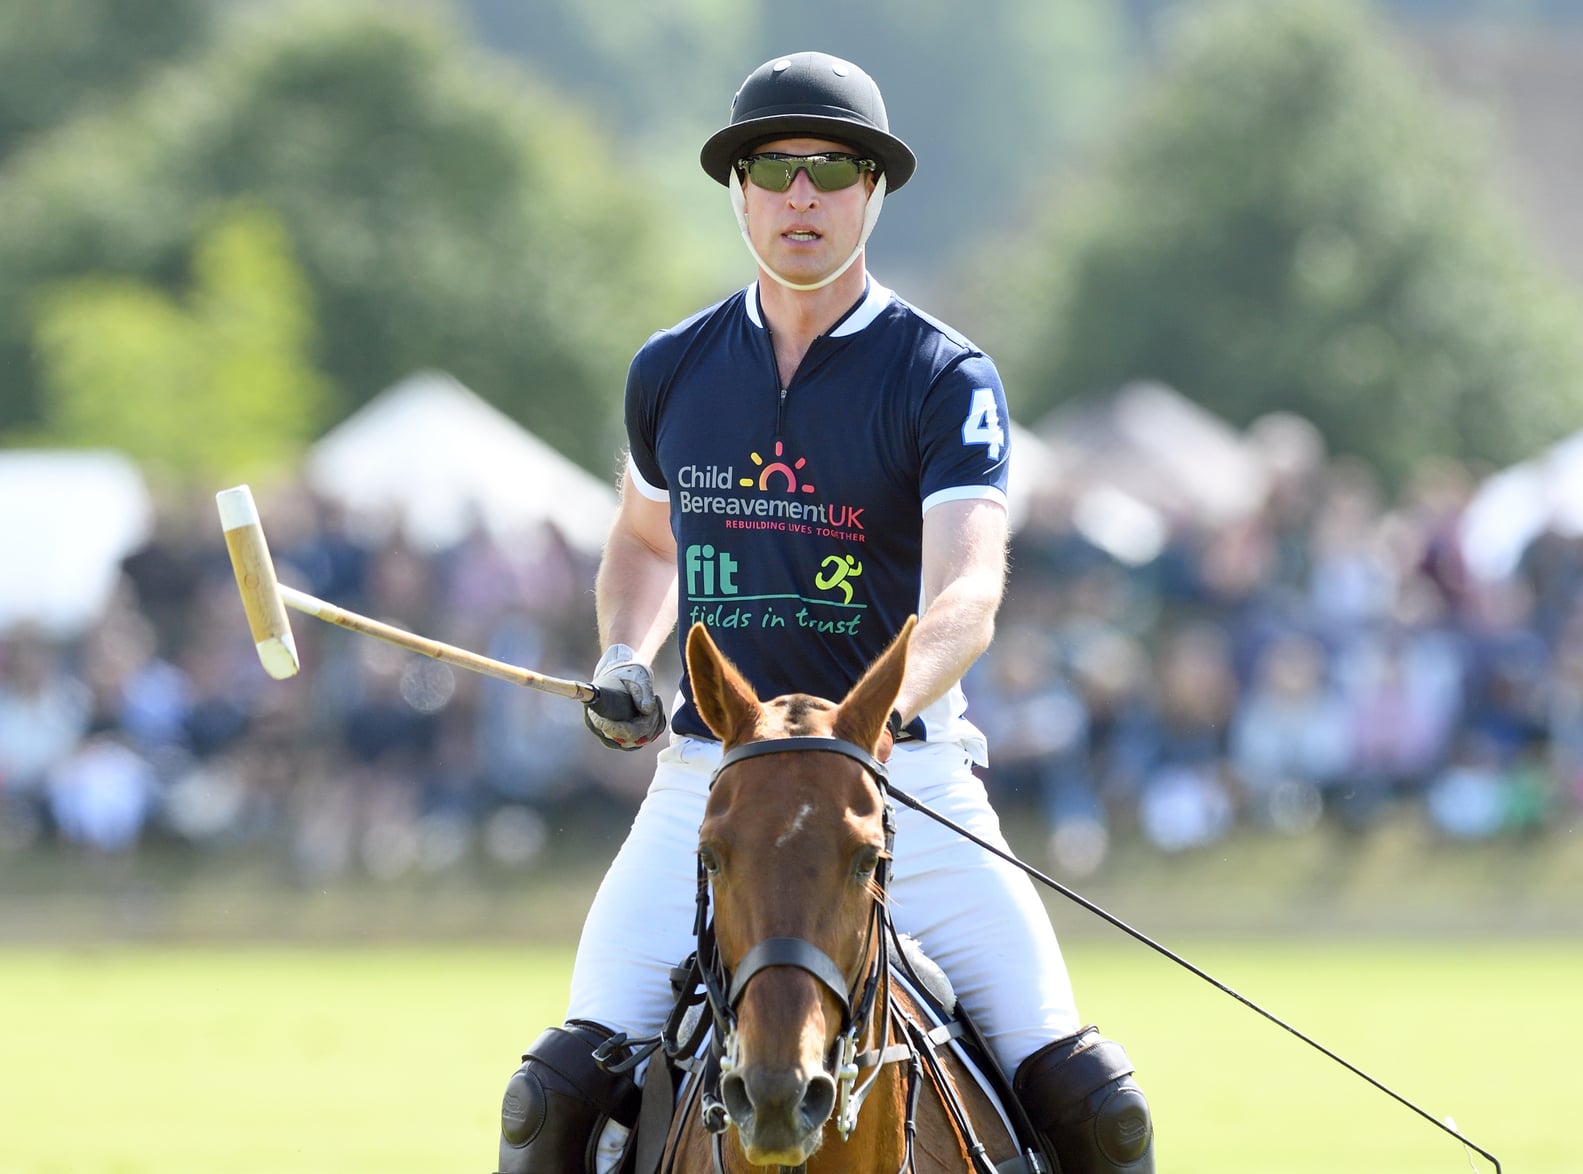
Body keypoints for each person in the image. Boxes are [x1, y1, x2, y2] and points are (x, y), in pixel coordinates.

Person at [495, 51, 1155, 1174]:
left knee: (1095, 1102)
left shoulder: (941, 375)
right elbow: (646, 540)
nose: (802, 195)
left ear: (873, 191)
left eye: (831, 169)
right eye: (775, 169)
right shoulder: (672, 369)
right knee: (548, 1100)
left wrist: (882, 711)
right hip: (712, 787)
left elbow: (967, 590)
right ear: (739, 190)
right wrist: (620, 649)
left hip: (898, 784)